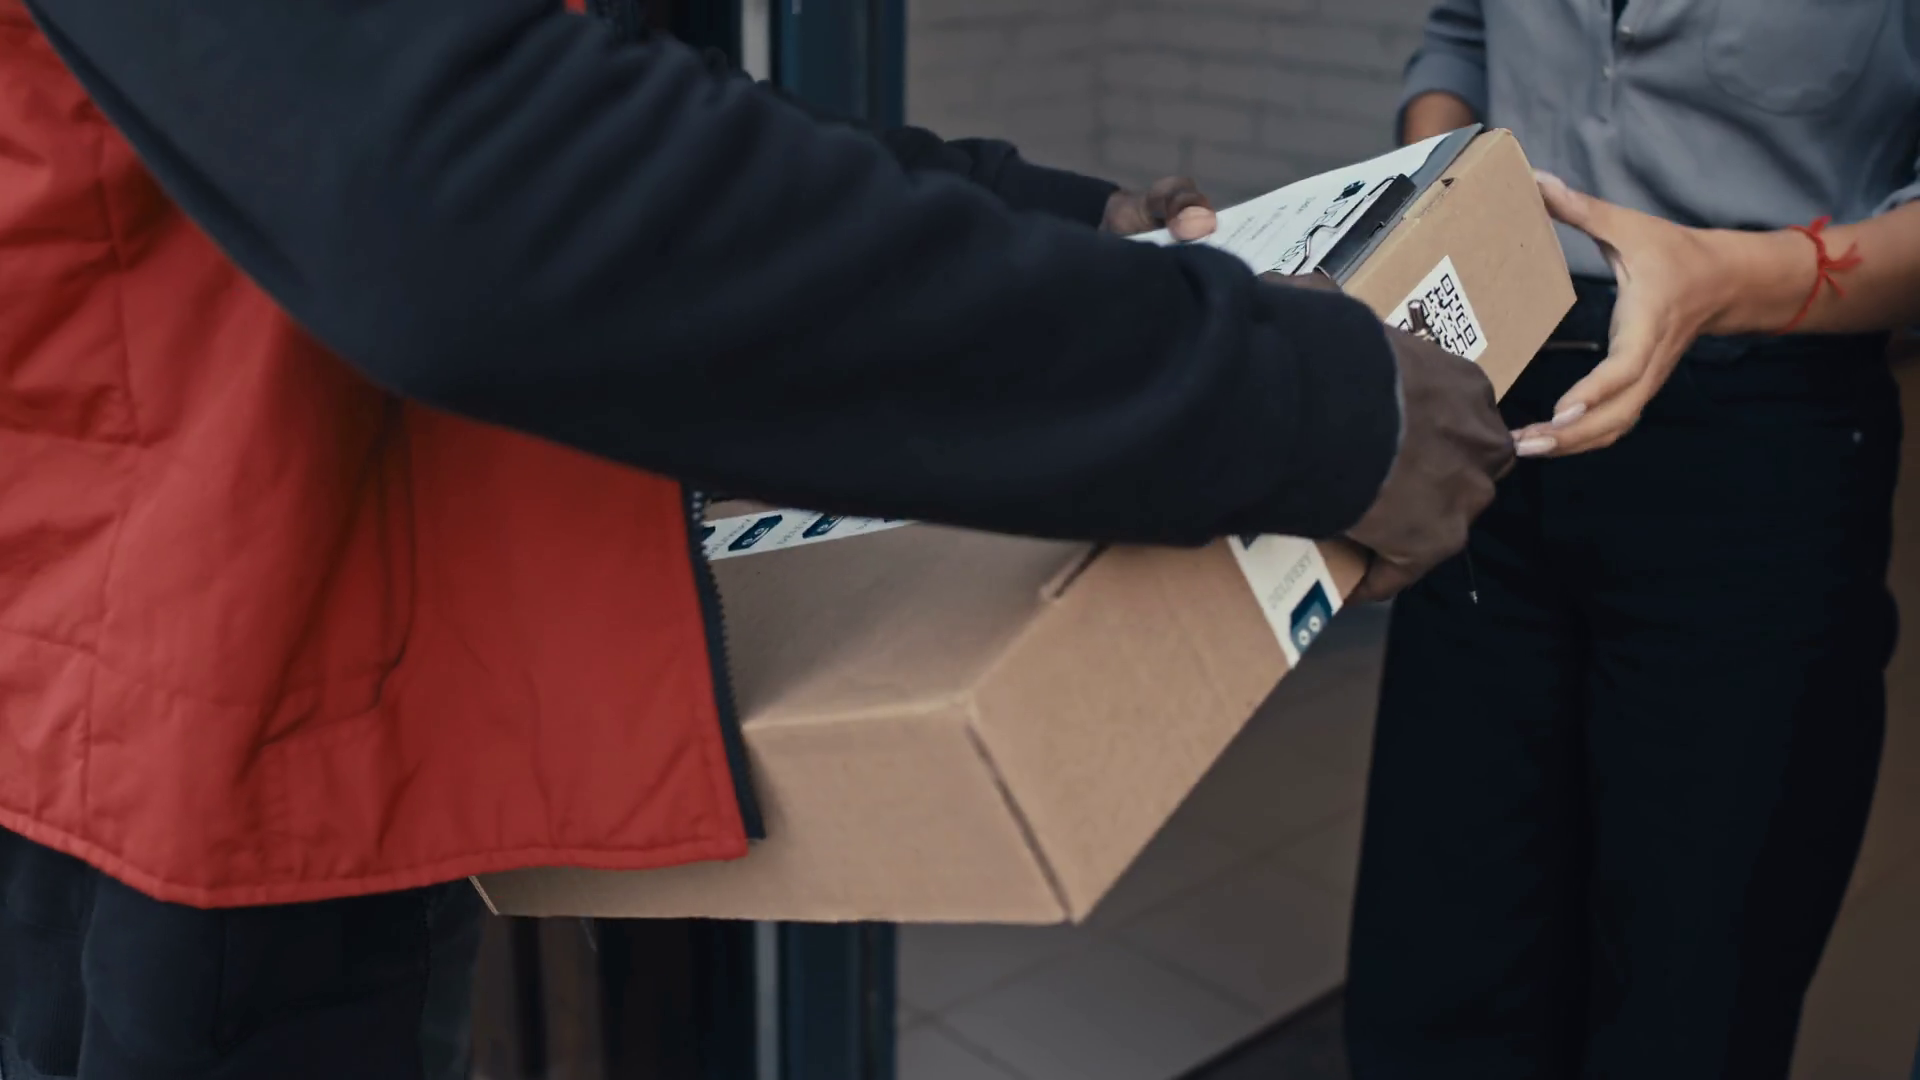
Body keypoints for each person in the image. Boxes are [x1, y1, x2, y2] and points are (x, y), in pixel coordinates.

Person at [0, 0, 1516, 1076]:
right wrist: (1295, 409)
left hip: (317, 735)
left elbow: (557, 85)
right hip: (160, 788)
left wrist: (1055, 217)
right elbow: (476, 192)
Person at [1348, 1, 1920, 1077]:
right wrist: (1438, 208)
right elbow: (1460, 38)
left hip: (1765, 421)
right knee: (1441, 952)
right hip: (1499, 392)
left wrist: (1727, 281)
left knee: (1691, 970)